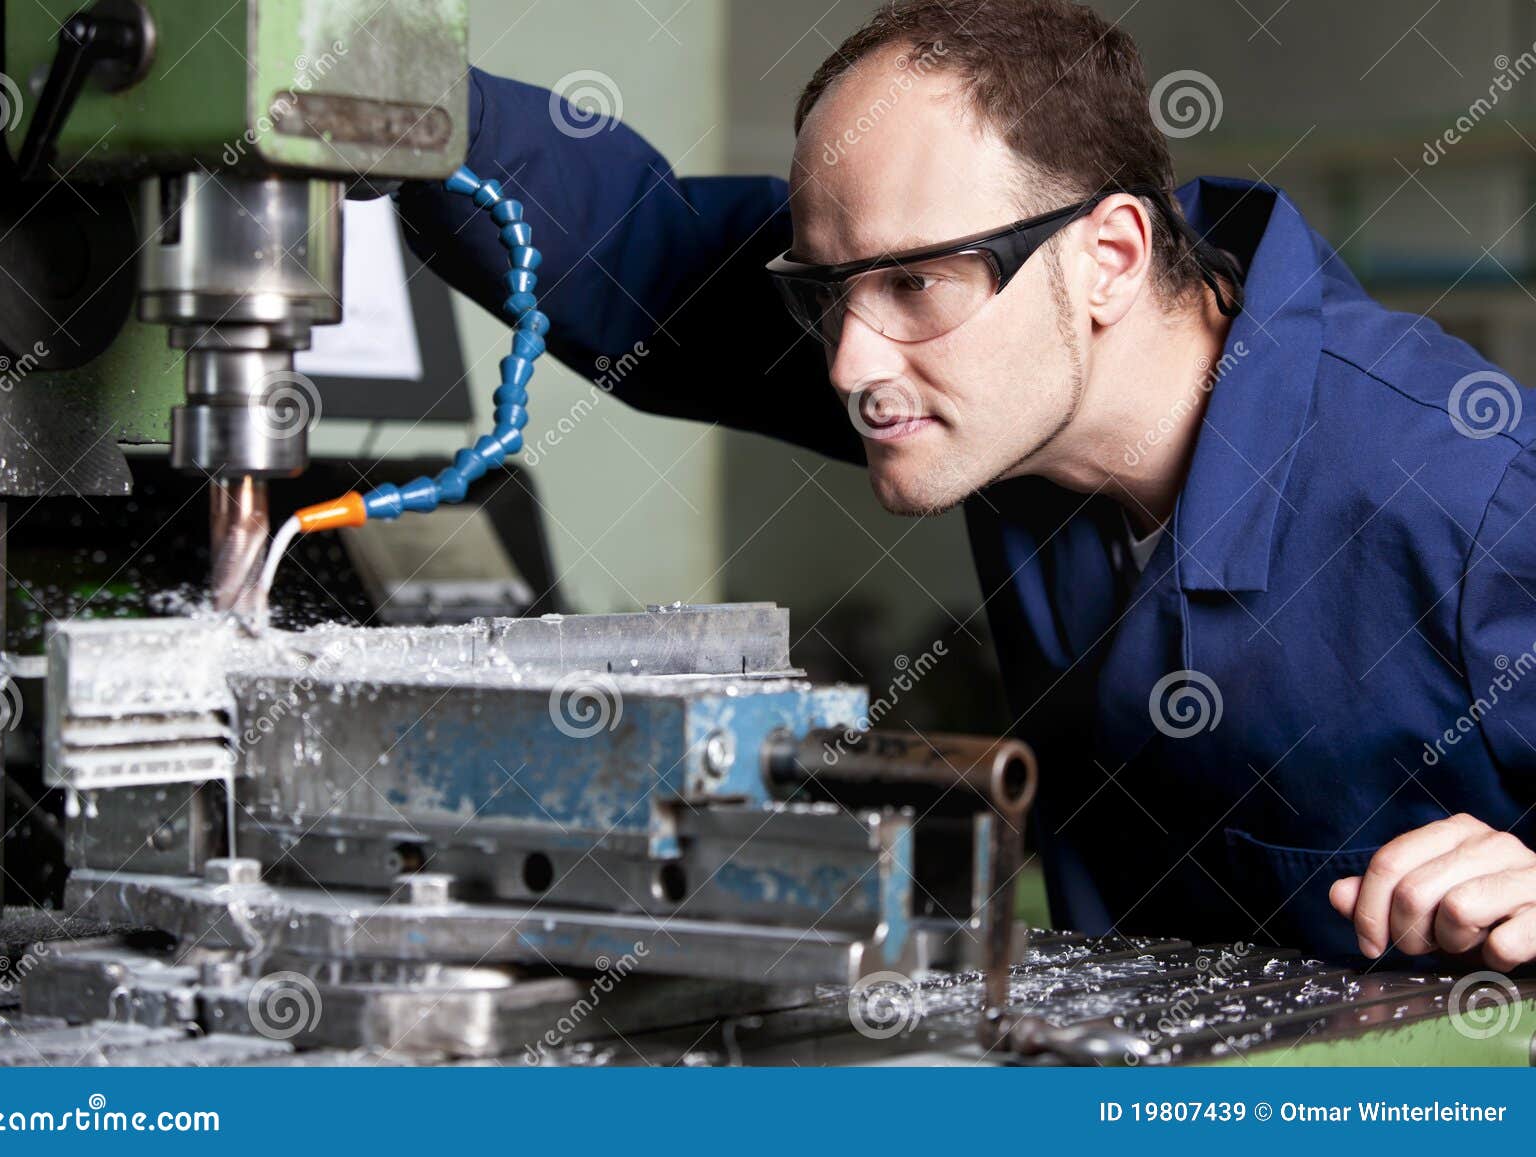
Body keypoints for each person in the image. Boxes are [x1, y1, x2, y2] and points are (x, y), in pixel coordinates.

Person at [397, 0, 1536, 971]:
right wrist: (389, 88)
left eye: (910, 285)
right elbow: (642, 252)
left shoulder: (1461, 492)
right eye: (828, 293)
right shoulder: (989, 359)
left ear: (1111, 257)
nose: (848, 364)